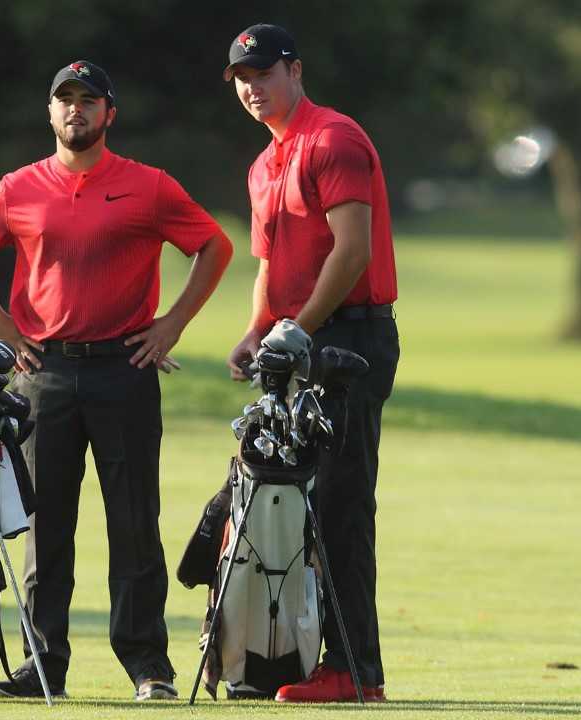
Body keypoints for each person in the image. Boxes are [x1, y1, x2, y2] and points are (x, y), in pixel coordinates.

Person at [0, 59, 233, 701]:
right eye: (64, 100)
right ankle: (43, 665)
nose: (75, 110)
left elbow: (214, 246)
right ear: (50, 113)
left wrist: (173, 324)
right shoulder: (18, 187)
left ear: (109, 114)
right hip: (40, 372)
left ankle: (148, 665)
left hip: (123, 369)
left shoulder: (148, 186)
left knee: (134, 521)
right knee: (45, 527)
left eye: (88, 100)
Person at [222, 24, 400, 703]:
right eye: (241, 78)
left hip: (349, 341)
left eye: (263, 73)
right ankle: (307, 657)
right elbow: (270, 261)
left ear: (295, 71)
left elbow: (350, 251)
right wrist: (257, 328)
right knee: (293, 506)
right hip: (297, 344)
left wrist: (296, 327)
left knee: (341, 505)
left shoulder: (335, 140)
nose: (251, 87)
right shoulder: (264, 164)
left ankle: (356, 672)